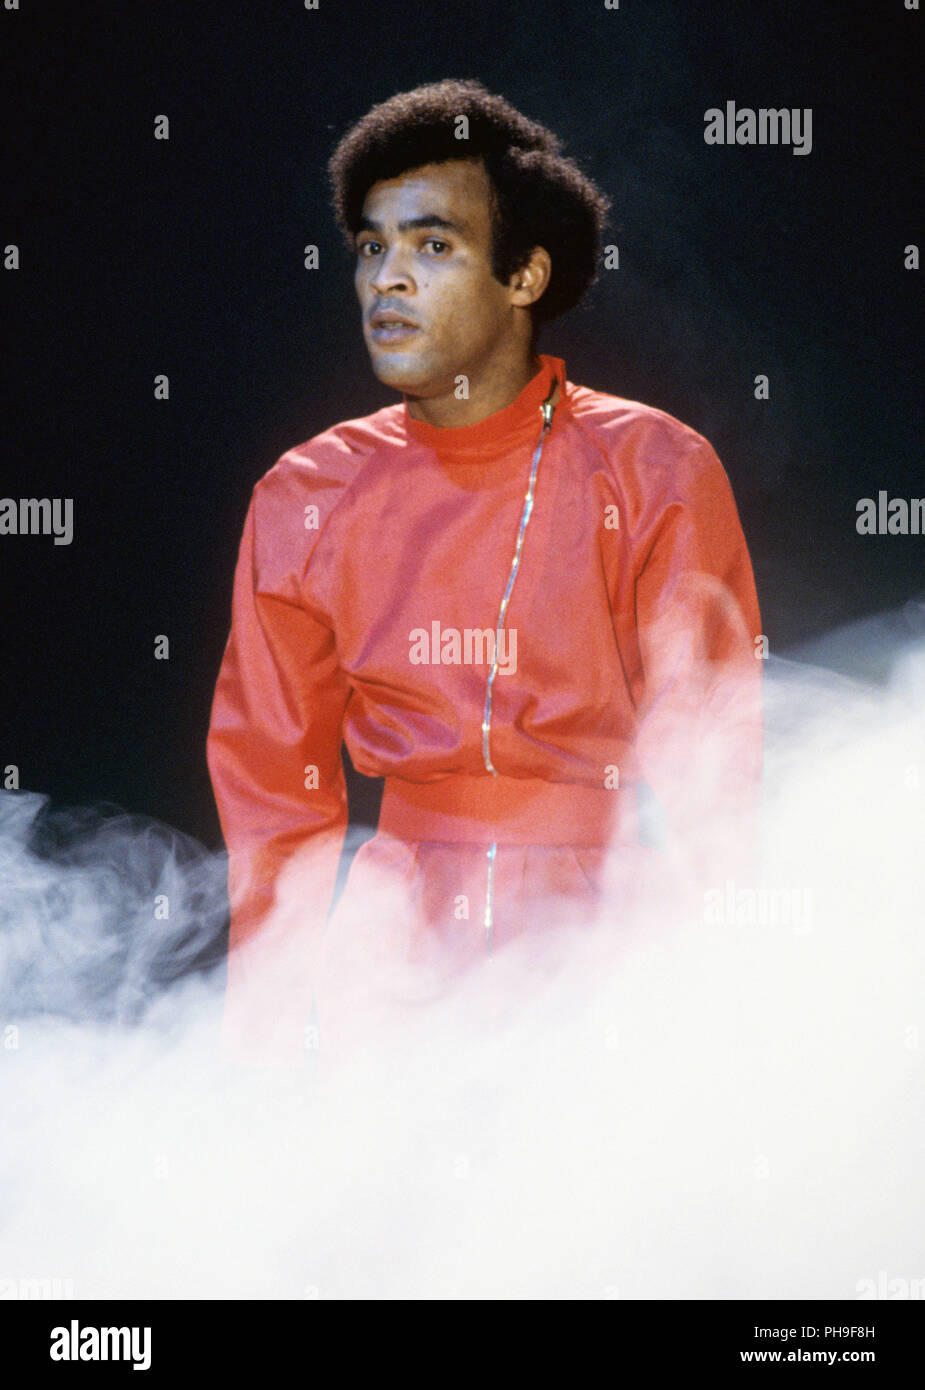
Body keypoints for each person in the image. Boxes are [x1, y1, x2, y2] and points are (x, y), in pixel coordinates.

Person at [206, 79, 763, 1063]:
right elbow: (271, 787)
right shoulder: (305, 492)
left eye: (432, 245)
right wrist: (265, 1026)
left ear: (524, 276)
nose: (387, 278)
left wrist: (718, 1001)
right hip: (390, 956)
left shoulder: (656, 468)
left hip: (607, 939)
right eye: (371, 247)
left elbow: (712, 764)